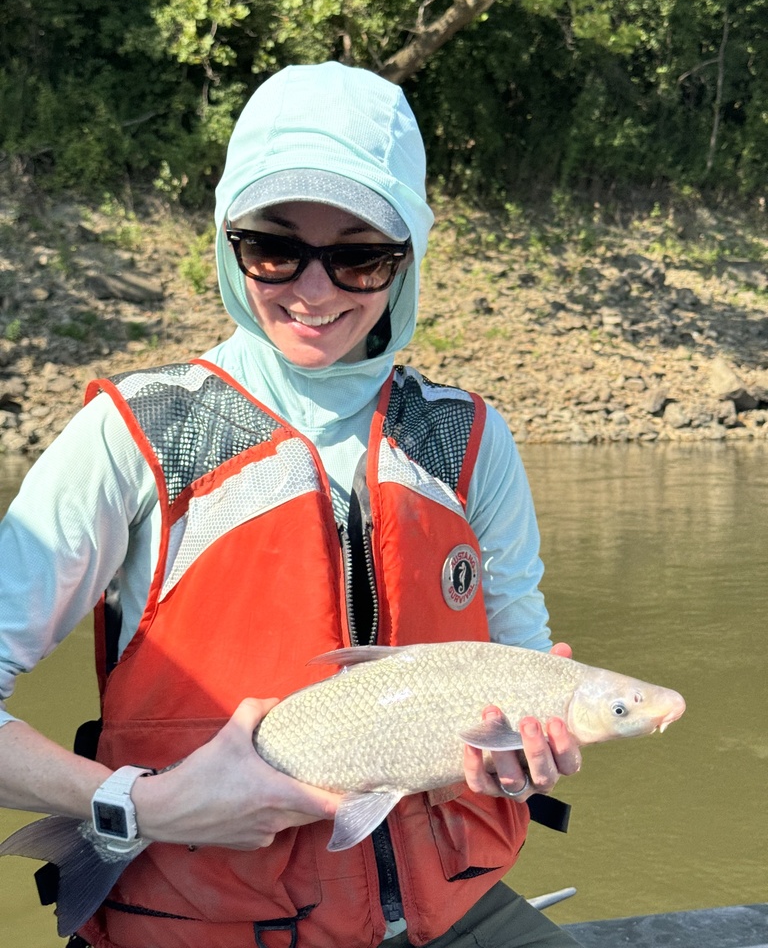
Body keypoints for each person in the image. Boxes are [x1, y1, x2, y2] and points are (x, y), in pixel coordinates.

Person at [0, 62, 582, 948]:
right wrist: (134, 801)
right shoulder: (137, 434)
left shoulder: (471, 440)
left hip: (448, 910)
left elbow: (520, 670)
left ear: (405, 261)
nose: (313, 292)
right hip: (200, 922)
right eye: (275, 247)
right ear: (231, 242)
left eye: (358, 256)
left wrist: (520, 765)